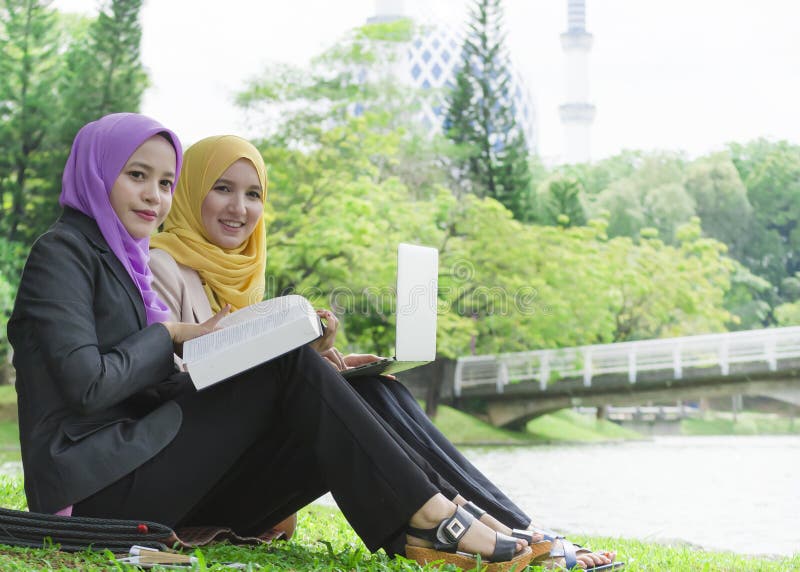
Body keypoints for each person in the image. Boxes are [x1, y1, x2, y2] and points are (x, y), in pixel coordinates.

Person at [7, 114, 535, 572]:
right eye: (137, 176)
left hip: (148, 471)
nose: (155, 196)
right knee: (284, 367)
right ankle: (436, 523)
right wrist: (169, 334)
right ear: (97, 172)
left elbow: (150, 389)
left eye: (167, 182)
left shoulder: (126, 262)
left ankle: (457, 524)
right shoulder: (62, 254)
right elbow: (88, 387)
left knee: (348, 385)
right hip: (95, 492)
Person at [149, 134, 622, 571]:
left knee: (376, 388)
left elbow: (255, 385)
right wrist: (285, 364)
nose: (240, 208)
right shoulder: (158, 265)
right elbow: (165, 383)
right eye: (223, 189)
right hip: (200, 477)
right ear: (190, 193)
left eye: (254, 194)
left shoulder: (245, 280)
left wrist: (320, 365)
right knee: (342, 385)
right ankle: (440, 525)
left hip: (245, 462)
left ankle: (517, 529)